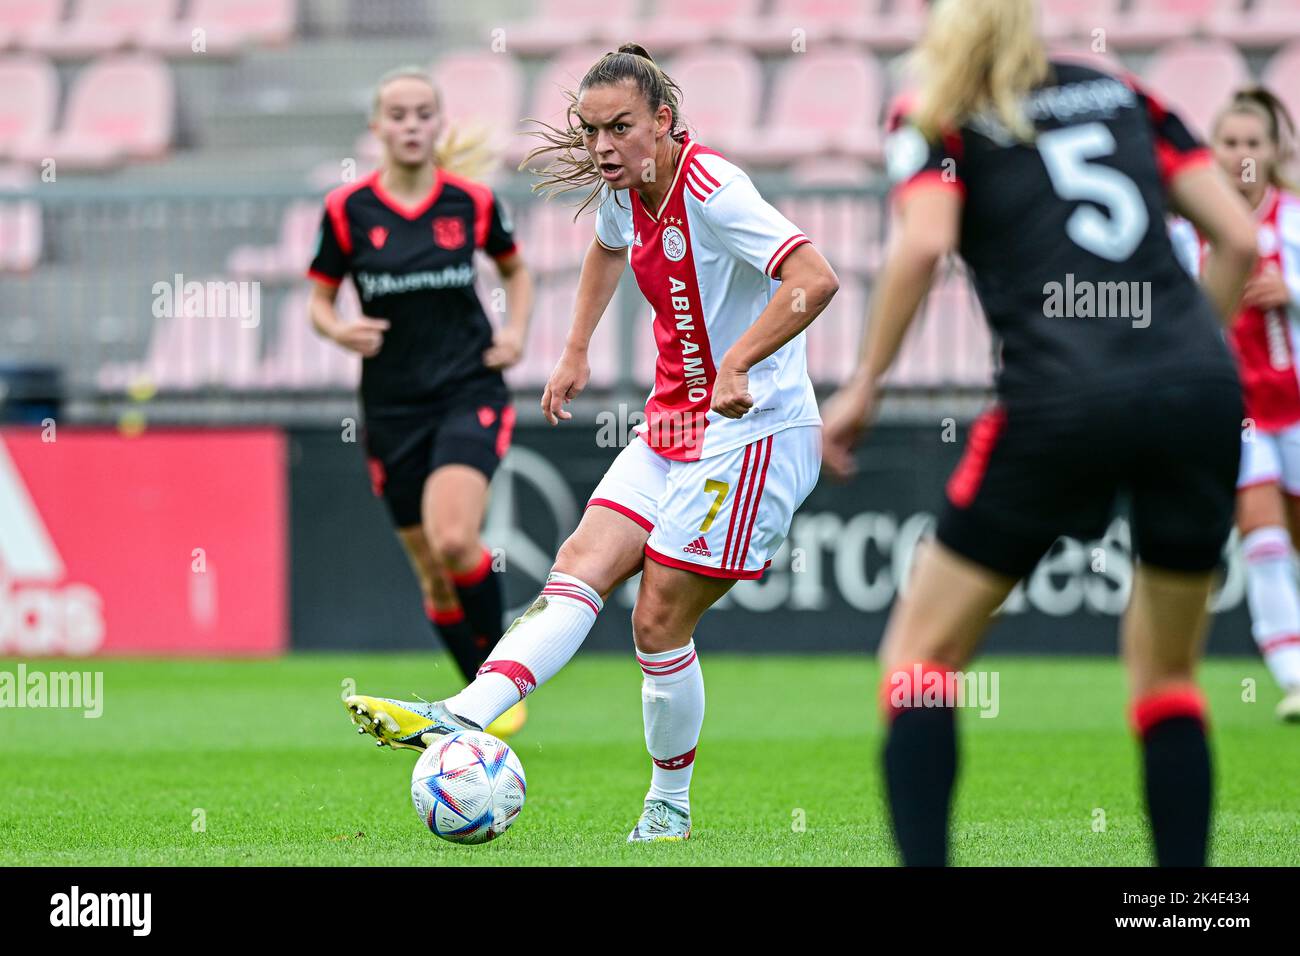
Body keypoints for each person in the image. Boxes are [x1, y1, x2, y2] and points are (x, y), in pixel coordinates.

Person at [344, 44, 839, 842]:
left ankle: (668, 808)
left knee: (657, 622)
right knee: (578, 564)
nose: (603, 147)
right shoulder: (626, 189)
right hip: (673, 422)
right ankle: (463, 714)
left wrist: (741, 361)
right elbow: (608, 247)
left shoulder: (713, 187)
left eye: (621, 128)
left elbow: (814, 276)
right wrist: (575, 349)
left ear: (664, 122)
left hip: (757, 434)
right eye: (590, 131)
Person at [821, 0, 1257, 866]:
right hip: (1199, 394)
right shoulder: (1122, 89)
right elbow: (1239, 240)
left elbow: (920, 246)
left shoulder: (935, 113)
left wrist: (863, 386)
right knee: (1168, 678)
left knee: (918, 654)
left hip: (1060, 401)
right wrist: (1174, 360)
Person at [309, 67, 534, 737]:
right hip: (392, 407)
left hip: (468, 389)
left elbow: (516, 271)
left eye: (423, 114)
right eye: (398, 115)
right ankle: (481, 698)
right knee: (434, 576)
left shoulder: (473, 202)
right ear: (378, 128)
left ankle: (497, 689)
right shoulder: (348, 210)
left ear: (439, 125)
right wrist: (339, 327)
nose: (410, 125)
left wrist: (517, 331)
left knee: (456, 537)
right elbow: (320, 298)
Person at [1170, 88, 1300, 721]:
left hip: (1295, 405)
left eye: (1254, 142)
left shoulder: (1296, 221)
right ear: (1212, 150)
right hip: (1233, 406)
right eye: (1231, 142)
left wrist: (1292, 291)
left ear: (1274, 150)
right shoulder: (1184, 228)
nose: (1243, 154)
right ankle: (1292, 672)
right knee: (1263, 535)